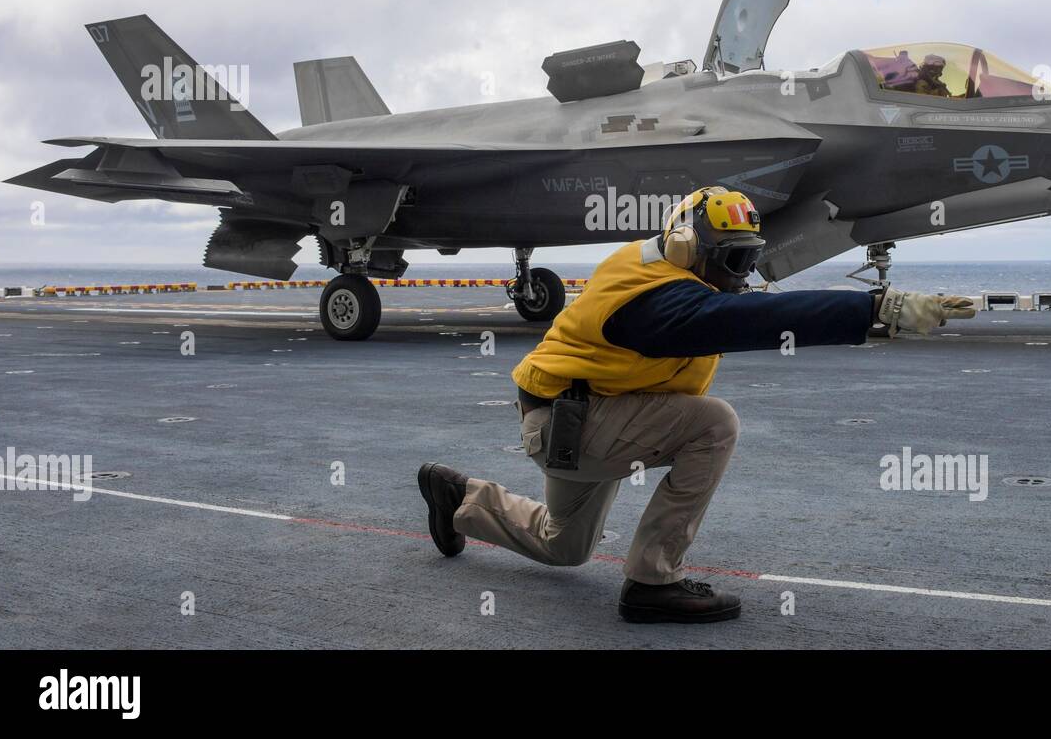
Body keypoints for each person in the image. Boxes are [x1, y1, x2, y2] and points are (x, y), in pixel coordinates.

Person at [417, 187, 975, 623]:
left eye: (748, 261)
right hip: (576, 426)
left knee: (565, 547)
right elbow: (748, 319)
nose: (741, 278)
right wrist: (877, 308)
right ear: (689, 249)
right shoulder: (656, 299)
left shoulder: (670, 276)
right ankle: (652, 585)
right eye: (732, 261)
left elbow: (735, 306)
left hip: (578, 422)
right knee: (714, 425)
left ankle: (460, 498)